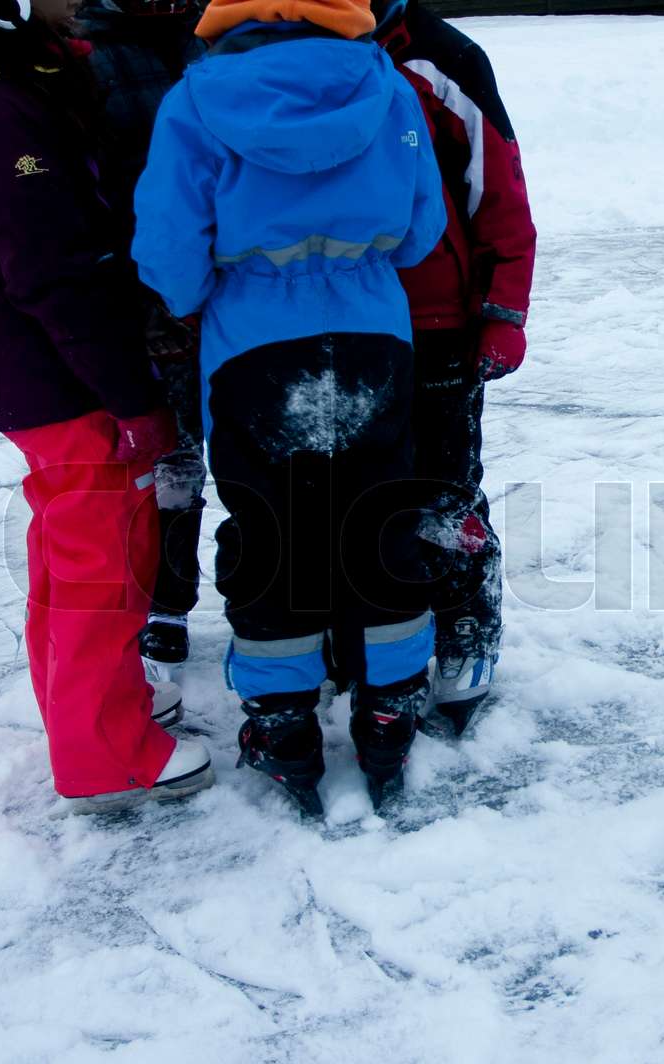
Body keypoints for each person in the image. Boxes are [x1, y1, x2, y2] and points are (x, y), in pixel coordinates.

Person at [0, 0, 214, 813]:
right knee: (101, 555)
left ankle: (87, 712)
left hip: (28, 370)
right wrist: (131, 397)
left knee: (67, 548)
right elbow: (53, 274)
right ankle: (109, 754)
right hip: (56, 374)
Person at [132, 0, 447, 814]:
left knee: (273, 534)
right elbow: (421, 231)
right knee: (381, 522)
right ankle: (388, 713)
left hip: (253, 342)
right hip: (374, 337)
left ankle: (283, 729)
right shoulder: (389, 89)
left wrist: (212, 288)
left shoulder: (195, 100)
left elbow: (168, 250)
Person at [372, 0, 536, 737]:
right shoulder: (291, 46)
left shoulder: (444, 57)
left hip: (438, 321)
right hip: (335, 318)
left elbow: (498, 190)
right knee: (361, 489)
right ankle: (380, 627)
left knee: (443, 485)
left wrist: (503, 309)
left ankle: (467, 618)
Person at [71, 0, 210, 686]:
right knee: (173, 456)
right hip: (141, 286)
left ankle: (278, 595)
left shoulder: (221, 36)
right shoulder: (86, 52)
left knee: (263, 447)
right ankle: (167, 603)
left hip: (243, 283)